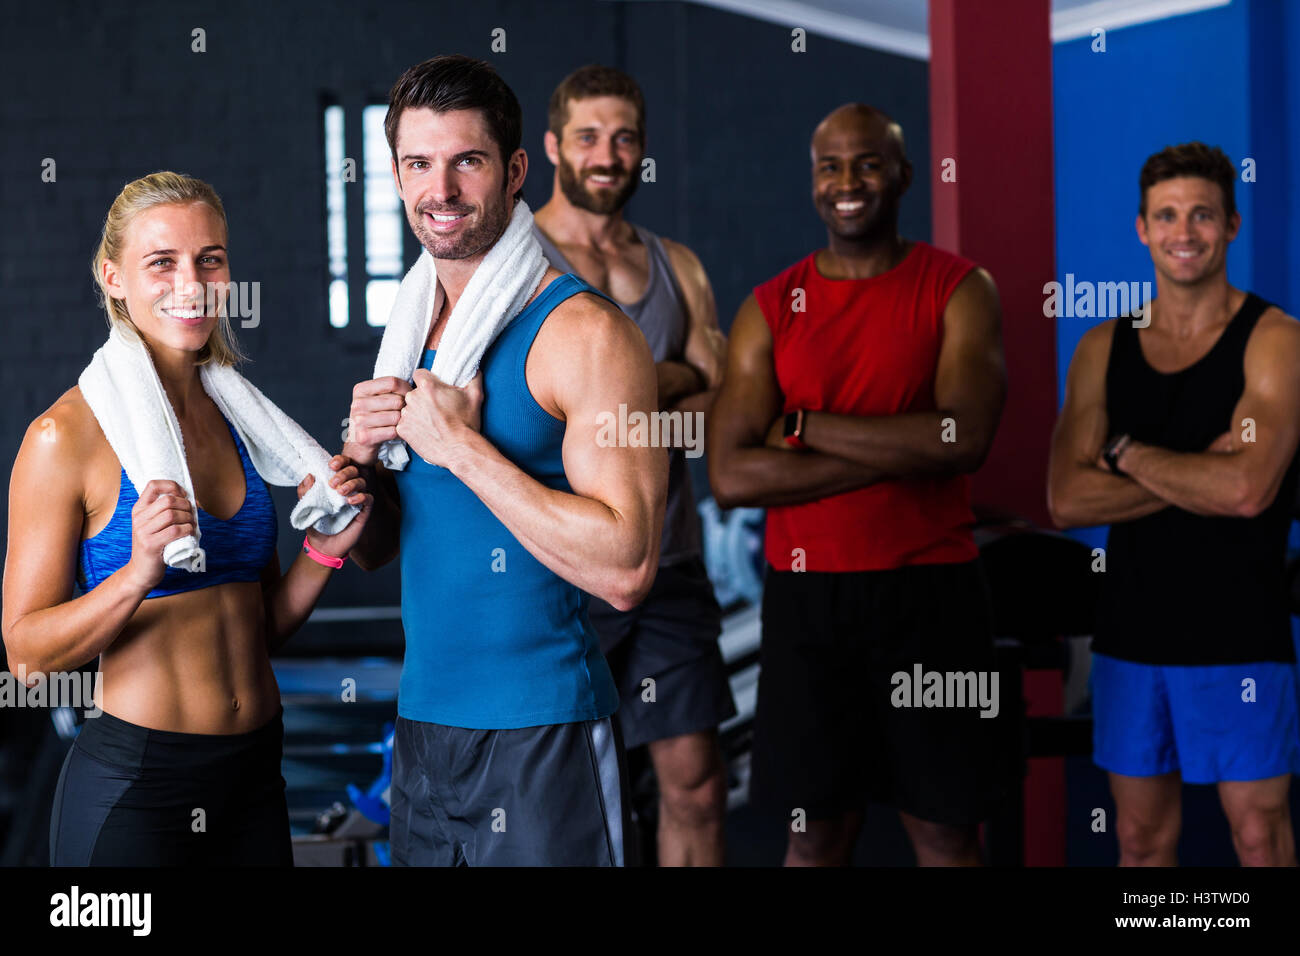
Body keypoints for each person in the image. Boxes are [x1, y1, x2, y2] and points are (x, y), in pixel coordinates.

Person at [343, 55, 666, 867]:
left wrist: (462, 448)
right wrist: (354, 463)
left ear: (516, 169)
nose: (441, 190)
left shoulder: (588, 335)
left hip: (543, 731)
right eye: (419, 164)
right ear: (395, 173)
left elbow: (627, 567)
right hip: (422, 729)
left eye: (467, 161)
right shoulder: (409, 332)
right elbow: (383, 546)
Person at [1, 171, 371, 866]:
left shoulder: (243, 420)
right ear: (113, 278)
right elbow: (26, 659)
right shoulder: (65, 437)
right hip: (139, 788)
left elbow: (257, 627)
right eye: (161, 262)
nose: (191, 282)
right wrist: (138, 572)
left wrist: (323, 554)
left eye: (210, 259)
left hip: (255, 775)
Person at [708, 103, 1007, 866]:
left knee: (947, 833)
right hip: (809, 607)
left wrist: (804, 425)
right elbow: (734, 472)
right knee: (814, 836)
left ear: (903, 175)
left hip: (931, 595)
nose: (848, 182)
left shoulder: (960, 289)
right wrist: (906, 445)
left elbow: (963, 438)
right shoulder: (772, 307)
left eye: (868, 163)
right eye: (830, 165)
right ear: (814, 180)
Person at [1048, 142, 1300, 866]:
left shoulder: (1276, 340)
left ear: (1232, 225)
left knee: (1259, 835)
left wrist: (1125, 454)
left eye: (1201, 215)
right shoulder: (1103, 345)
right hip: (1131, 636)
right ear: (1140, 228)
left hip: (1240, 633)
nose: (1182, 232)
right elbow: (1066, 498)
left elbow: (1249, 491)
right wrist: (1199, 474)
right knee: (1140, 840)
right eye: (1165, 215)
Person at [532, 64, 735, 867]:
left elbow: (725, 411)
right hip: (558, 564)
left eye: (622, 138)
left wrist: (613, 407)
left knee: (698, 786)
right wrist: (671, 379)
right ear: (552, 146)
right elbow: (522, 418)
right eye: (587, 136)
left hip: (671, 561)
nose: (606, 154)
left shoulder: (677, 267)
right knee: (566, 797)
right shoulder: (517, 262)